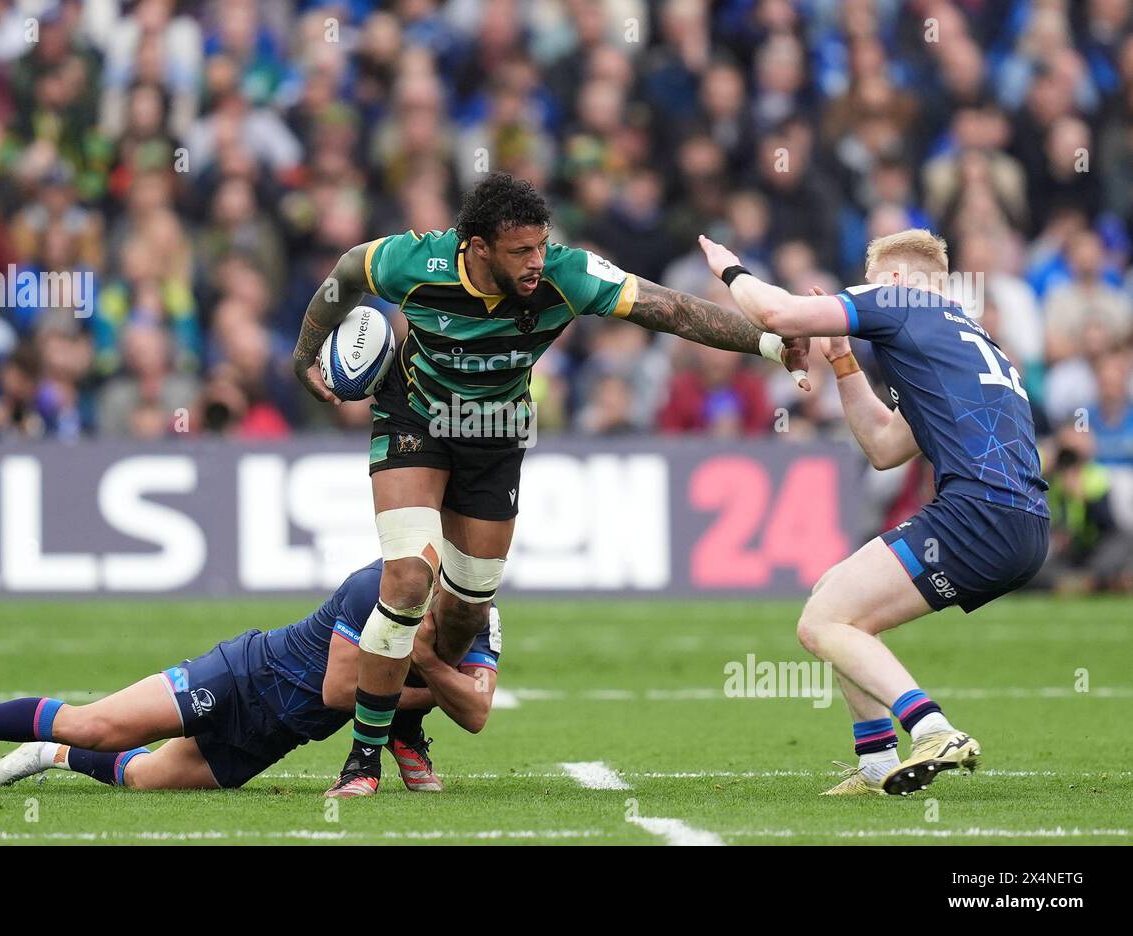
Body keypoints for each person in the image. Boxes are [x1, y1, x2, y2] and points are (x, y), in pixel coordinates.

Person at [292, 172, 810, 796]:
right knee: (407, 579)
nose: (537, 262)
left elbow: (669, 308)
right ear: (477, 247)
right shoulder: (415, 261)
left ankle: (407, 722)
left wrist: (772, 344)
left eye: (541, 246)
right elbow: (349, 270)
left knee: (462, 614)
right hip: (414, 421)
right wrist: (306, 351)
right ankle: (362, 761)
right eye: (520, 252)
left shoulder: (570, 275)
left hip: (495, 437)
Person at [697, 228, 1050, 795]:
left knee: (821, 622)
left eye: (868, 281)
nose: (862, 291)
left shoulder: (900, 303)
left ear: (894, 281)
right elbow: (885, 449)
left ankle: (933, 729)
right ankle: (877, 760)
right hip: (1020, 522)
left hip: (980, 511)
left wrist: (730, 269)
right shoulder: (962, 340)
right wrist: (843, 364)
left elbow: (776, 310)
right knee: (837, 599)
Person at [0, 561, 500, 792]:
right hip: (242, 676)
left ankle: (52, 755)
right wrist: (426, 672)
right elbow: (340, 691)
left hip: (276, 736)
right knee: (100, 725)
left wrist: (426, 663)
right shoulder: (380, 587)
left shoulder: (484, 621)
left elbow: (474, 711)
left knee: (141, 777)